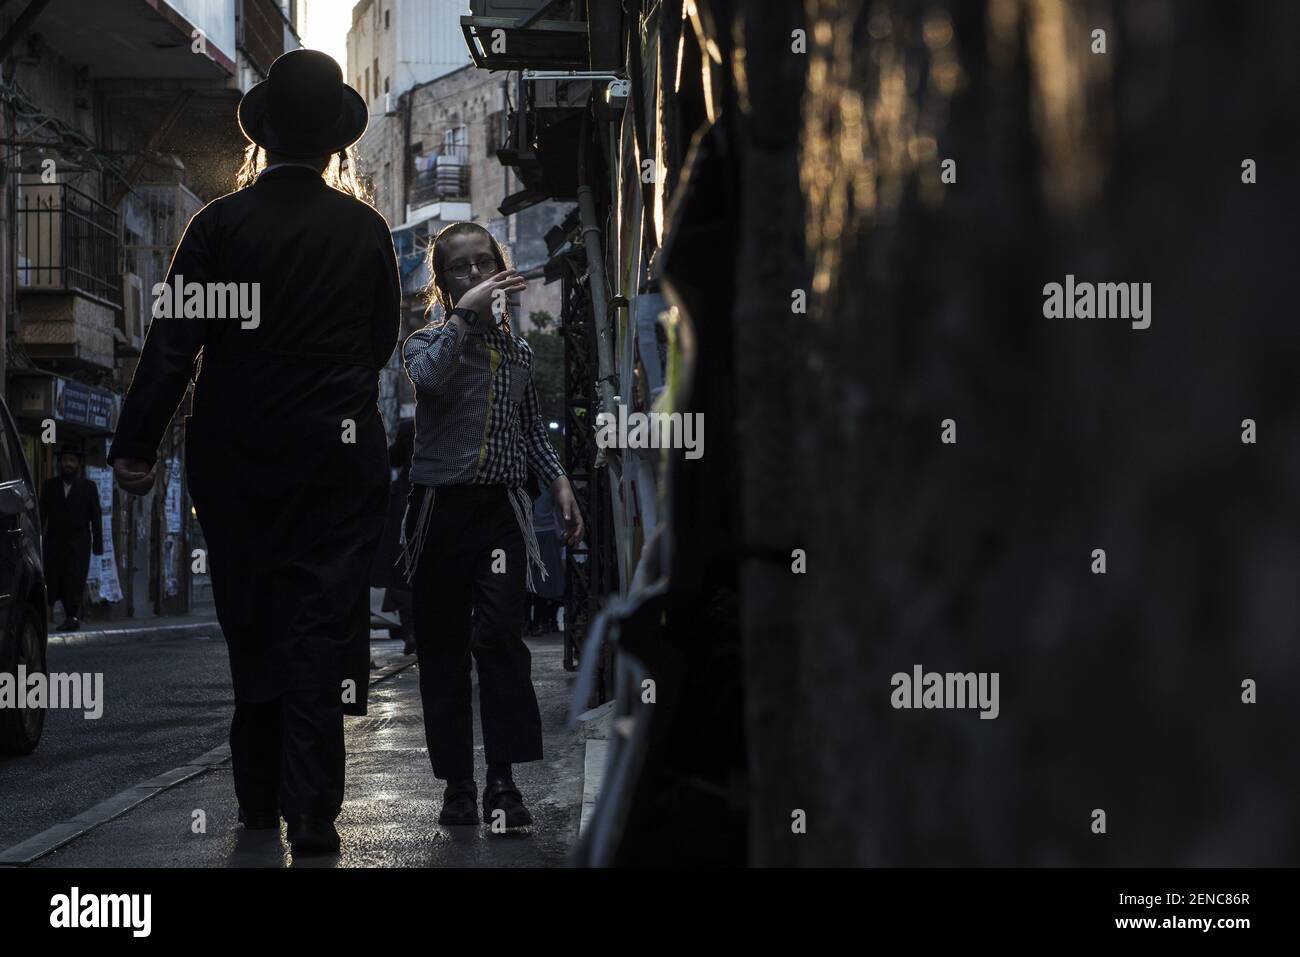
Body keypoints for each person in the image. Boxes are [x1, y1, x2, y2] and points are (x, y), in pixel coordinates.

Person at [108, 50, 399, 855]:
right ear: (337, 146)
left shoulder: (216, 228)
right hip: (338, 459)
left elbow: (172, 345)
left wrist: (136, 446)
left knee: (254, 627)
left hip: (236, 458)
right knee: (318, 624)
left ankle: (257, 803)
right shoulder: (366, 229)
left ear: (262, 138)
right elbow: (382, 342)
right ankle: (312, 813)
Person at [402, 221, 584, 829]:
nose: (476, 275)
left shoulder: (519, 353)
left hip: (501, 513)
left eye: (486, 264)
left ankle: (503, 783)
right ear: (444, 283)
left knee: (500, 640)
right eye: (461, 268)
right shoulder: (426, 341)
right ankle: (457, 784)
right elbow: (427, 381)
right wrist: (463, 320)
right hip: (438, 512)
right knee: (443, 650)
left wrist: (559, 482)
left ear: (502, 269)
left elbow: (531, 429)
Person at [40, 448, 103, 632]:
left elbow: (96, 516)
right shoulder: (49, 486)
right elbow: (41, 514)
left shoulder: (88, 487)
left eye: (72, 461)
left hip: (79, 544)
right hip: (54, 543)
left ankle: (72, 616)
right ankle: (59, 614)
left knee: (74, 579)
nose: (68, 464)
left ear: (78, 464)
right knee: (55, 578)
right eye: (65, 460)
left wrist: (98, 545)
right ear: (60, 463)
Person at [371, 419, 415, 655]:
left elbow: (394, 458)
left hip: (405, 497)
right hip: (432, 493)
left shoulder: (409, 426)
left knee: (400, 570)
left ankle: (411, 630)